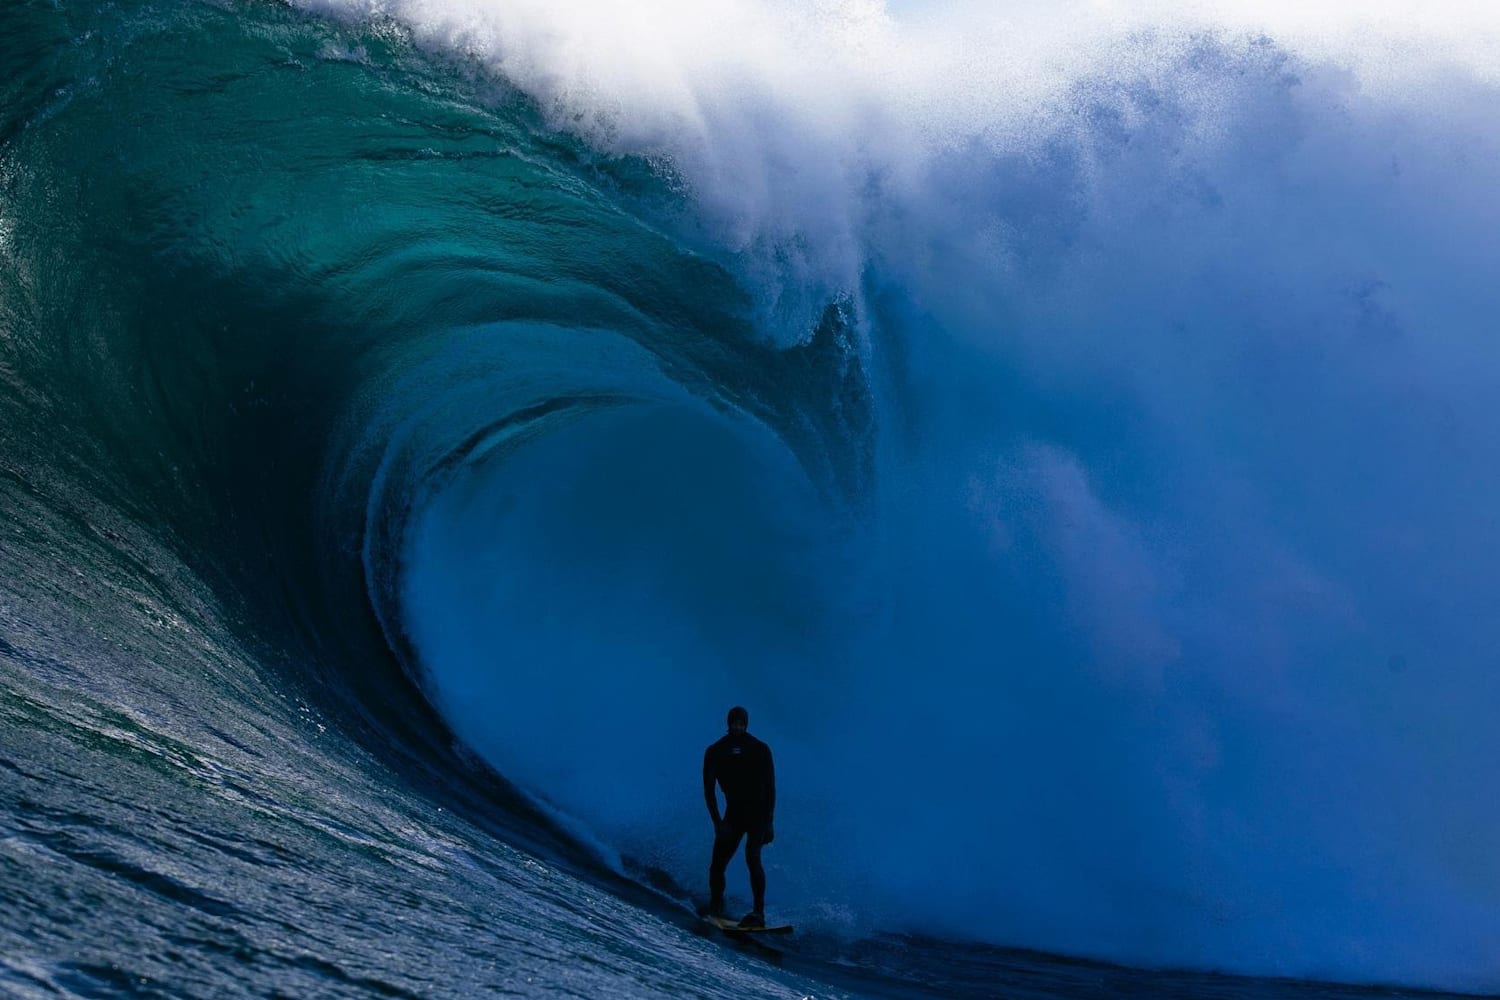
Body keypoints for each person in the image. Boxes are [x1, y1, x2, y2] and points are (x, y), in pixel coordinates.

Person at [702, 705, 776, 928]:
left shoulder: (760, 749)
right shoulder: (715, 751)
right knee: (717, 865)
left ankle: (758, 913)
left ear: (747, 724)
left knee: (752, 857)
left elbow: (771, 788)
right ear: (728, 723)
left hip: (758, 814)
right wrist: (717, 823)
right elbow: (709, 791)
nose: (737, 727)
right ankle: (716, 907)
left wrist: (770, 822)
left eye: (741, 723)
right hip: (733, 814)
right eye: (734, 723)